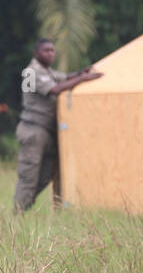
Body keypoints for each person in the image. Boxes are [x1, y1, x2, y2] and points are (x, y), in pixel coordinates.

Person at [13, 37, 102, 212]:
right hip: (33, 128)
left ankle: (25, 205)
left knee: (46, 175)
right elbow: (55, 89)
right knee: (29, 175)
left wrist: (80, 73)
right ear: (36, 53)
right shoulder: (31, 72)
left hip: (47, 130)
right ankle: (17, 214)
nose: (51, 53)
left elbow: (65, 77)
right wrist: (84, 79)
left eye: (53, 50)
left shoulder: (47, 72)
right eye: (46, 50)